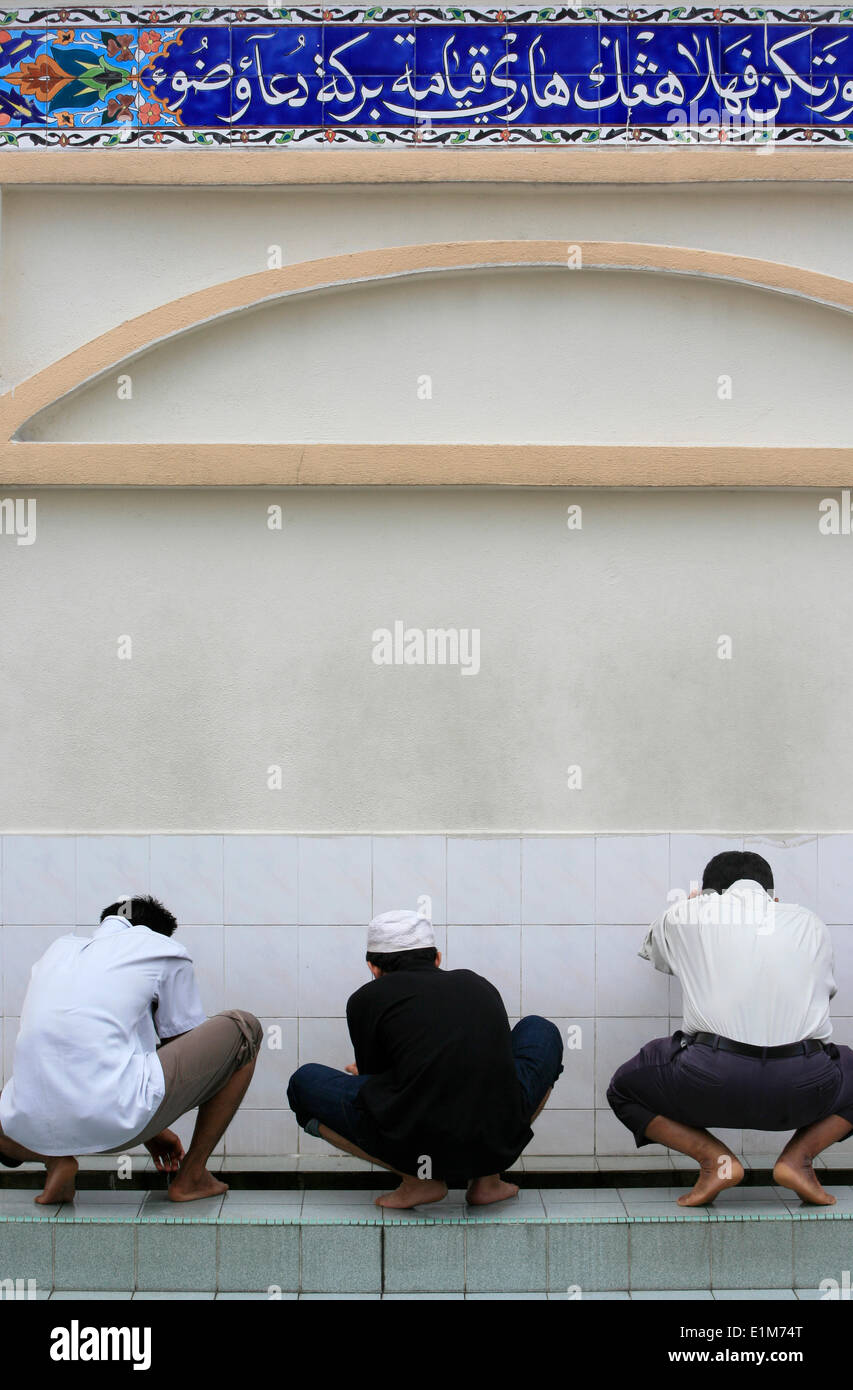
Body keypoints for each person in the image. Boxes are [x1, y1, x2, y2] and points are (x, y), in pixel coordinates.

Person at [607, 851, 853, 1207]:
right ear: (772, 894)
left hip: (709, 1080)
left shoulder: (690, 914)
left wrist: (695, 908)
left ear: (709, 891)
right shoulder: (810, 922)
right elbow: (824, 992)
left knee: (624, 1088)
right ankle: (798, 1160)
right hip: (804, 1085)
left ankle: (715, 1162)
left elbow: (656, 954)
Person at [288, 908, 564, 1209]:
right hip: (497, 1134)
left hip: (415, 1135)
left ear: (373, 967)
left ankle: (419, 1179)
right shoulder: (477, 983)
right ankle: (488, 1179)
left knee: (304, 1083)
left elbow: (377, 1084)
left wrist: (369, 1074)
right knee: (540, 1029)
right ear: (437, 958)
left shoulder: (366, 998)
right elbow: (489, 1059)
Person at [0, 895, 262, 1205]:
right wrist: (153, 1124)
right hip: (117, 1120)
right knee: (245, 1029)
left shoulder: (56, 952)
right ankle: (192, 1175)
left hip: (27, 1128)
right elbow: (187, 1058)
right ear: (155, 932)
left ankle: (55, 1161)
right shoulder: (162, 948)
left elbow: (82, 1054)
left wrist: (154, 1132)